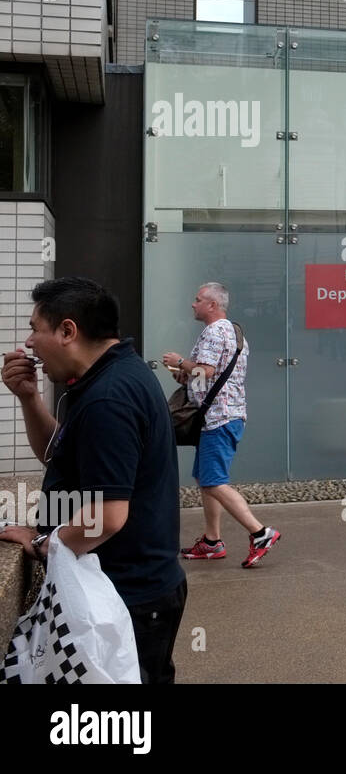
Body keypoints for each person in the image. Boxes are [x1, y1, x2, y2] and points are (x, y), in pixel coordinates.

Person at [0, 277, 186, 683]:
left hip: (126, 594)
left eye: (35, 328)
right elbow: (58, 451)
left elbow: (107, 515)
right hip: (134, 589)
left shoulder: (109, 397)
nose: (29, 343)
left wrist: (42, 542)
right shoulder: (109, 377)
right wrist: (30, 397)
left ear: (68, 331)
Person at [163, 282, 280, 567]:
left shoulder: (215, 331)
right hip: (221, 416)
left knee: (214, 480)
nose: (193, 303)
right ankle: (212, 542)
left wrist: (181, 362)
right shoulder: (233, 331)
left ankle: (260, 532)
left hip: (219, 418)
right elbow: (208, 375)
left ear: (212, 305)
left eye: (198, 299)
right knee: (206, 479)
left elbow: (208, 370)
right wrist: (187, 375)